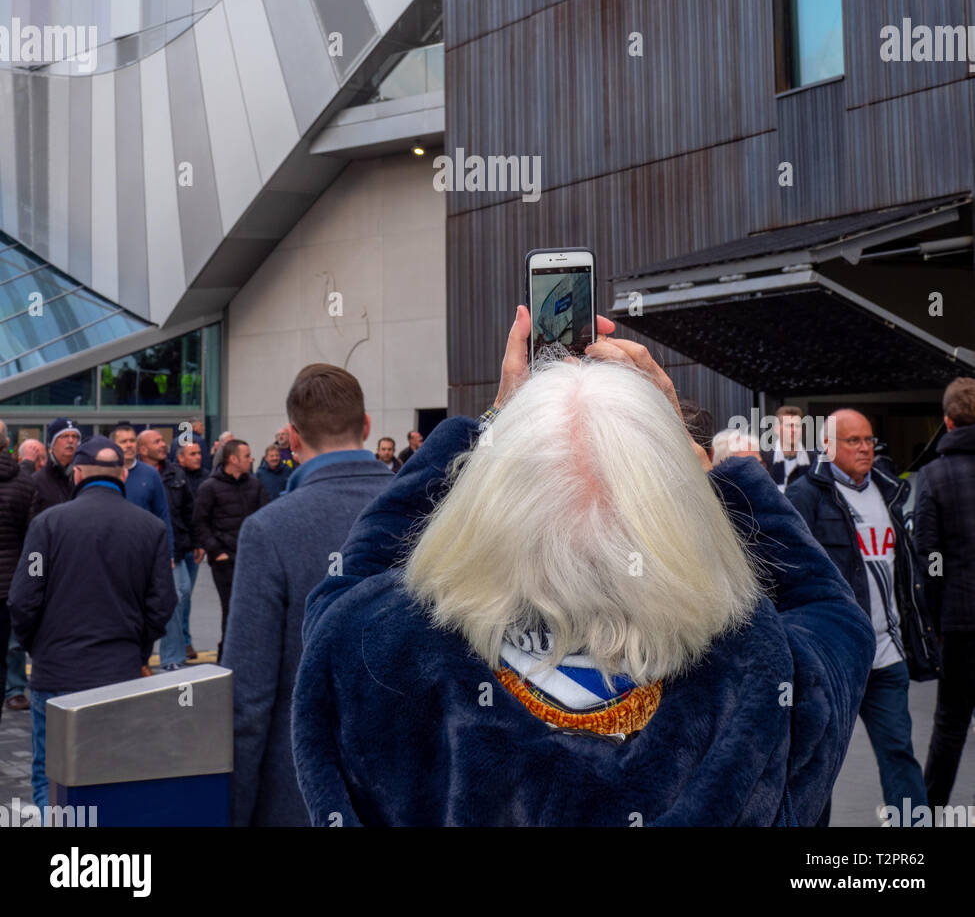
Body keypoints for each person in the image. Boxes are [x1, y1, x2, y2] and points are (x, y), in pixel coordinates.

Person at [292, 308, 874, 827]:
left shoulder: (378, 655)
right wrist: (700, 469)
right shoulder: (757, 676)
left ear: (484, 507)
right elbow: (833, 615)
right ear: (674, 520)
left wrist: (487, 428)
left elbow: (342, 595)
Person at [223, 364, 391, 826]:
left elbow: (248, 701)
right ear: (367, 426)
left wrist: (235, 810)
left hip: (301, 793)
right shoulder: (427, 512)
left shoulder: (268, 530)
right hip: (409, 789)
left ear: (292, 440)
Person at [788, 408, 939, 826]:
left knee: (898, 753)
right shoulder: (805, 496)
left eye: (869, 440)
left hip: (887, 656)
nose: (865, 449)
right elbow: (788, 573)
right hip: (833, 662)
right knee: (818, 766)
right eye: (853, 441)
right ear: (829, 446)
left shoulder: (888, 491)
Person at [8, 437, 175, 808]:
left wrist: (39, 645)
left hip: (56, 673)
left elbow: (22, 599)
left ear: (78, 473)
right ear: (123, 475)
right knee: (115, 775)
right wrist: (137, 647)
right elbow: (162, 604)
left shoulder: (47, 525)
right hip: (119, 673)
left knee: (51, 778)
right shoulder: (150, 529)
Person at [913, 377, 975, 807]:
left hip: (959, 621)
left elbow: (928, 558)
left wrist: (932, 621)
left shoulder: (933, 476)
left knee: (951, 722)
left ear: (948, 422)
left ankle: (930, 811)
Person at [192, 440, 269, 661]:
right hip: (225, 561)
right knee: (231, 609)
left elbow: (266, 517)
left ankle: (247, 655)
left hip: (251, 559)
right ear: (233, 459)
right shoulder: (210, 487)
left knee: (253, 609)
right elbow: (200, 522)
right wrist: (217, 552)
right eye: (247, 456)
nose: (251, 459)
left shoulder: (256, 485)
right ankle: (228, 656)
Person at [139, 430, 198, 671]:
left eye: (163, 441)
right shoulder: (131, 475)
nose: (164, 445)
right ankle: (138, 659)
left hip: (173, 547)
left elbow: (188, 509)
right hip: (142, 550)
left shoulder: (176, 473)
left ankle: (172, 658)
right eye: (157, 442)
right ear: (143, 450)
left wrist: (194, 541)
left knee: (178, 596)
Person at [0, 420, 33, 720]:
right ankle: (12, 690)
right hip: (10, 584)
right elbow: (31, 540)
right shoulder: (24, 483)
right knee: (7, 649)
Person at [176, 443, 206, 659]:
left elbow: (200, 516)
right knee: (179, 595)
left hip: (191, 544)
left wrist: (199, 543)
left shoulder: (206, 478)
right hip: (174, 545)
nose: (198, 457)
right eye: (192, 454)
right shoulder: (174, 478)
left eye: (199, 453)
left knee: (185, 596)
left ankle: (184, 640)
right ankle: (179, 641)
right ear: (180, 458)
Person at [28, 418, 81, 519]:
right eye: (64, 436)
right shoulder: (37, 481)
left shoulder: (83, 477)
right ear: (52, 443)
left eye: (75, 437)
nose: (70, 440)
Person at [770, 405, 812, 491]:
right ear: (776, 429)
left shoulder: (813, 460)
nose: (794, 430)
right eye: (789, 426)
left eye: (797, 426)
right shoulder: (765, 460)